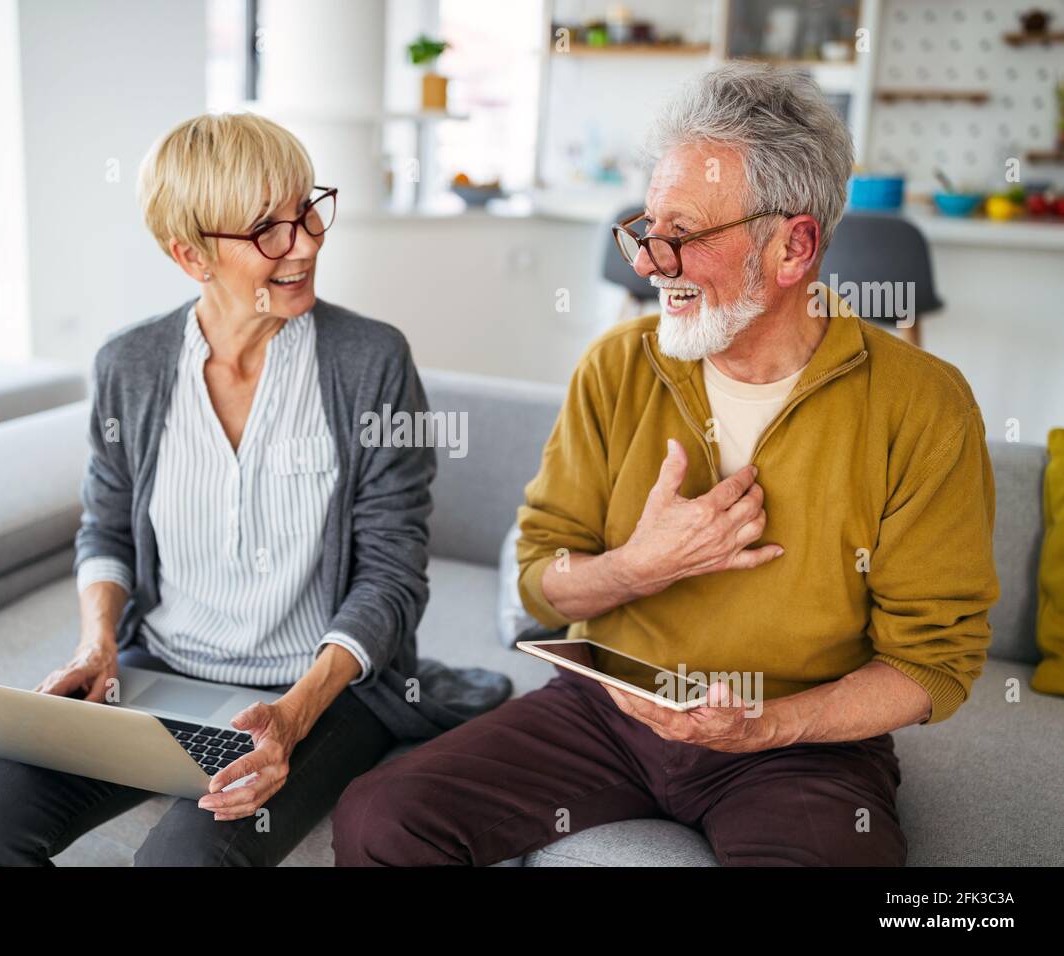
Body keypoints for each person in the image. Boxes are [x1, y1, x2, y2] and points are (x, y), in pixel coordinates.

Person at [332, 63, 999, 867]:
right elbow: (540, 575)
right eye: (647, 229)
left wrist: (771, 724)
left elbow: (933, 662)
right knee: (381, 817)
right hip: (605, 708)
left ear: (794, 247)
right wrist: (636, 569)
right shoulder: (616, 366)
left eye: (681, 235)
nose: (649, 262)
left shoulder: (924, 405)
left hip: (799, 741)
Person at [0, 112, 507, 867]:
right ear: (189, 255)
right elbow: (106, 527)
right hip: (159, 672)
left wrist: (292, 719)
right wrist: (97, 643)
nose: (304, 242)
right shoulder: (128, 366)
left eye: (307, 210)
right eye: (267, 228)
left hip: (318, 692)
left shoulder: (372, 362)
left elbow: (394, 574)